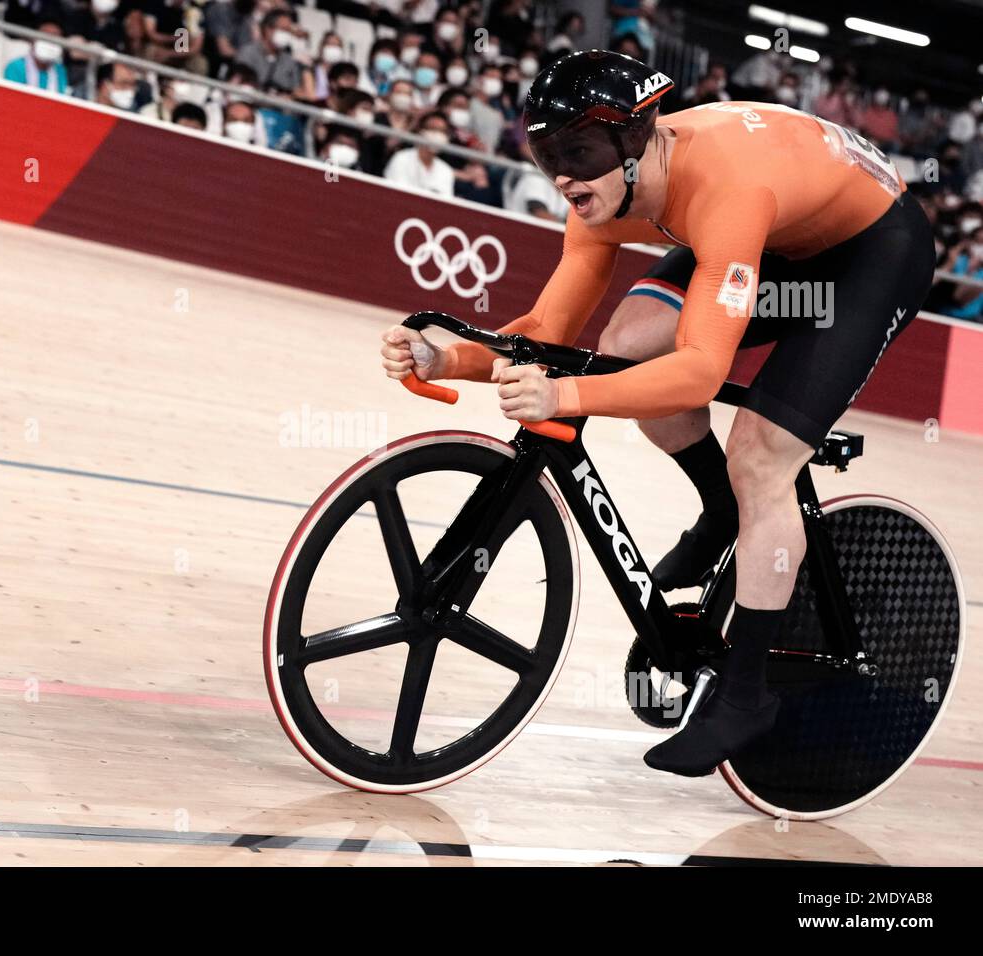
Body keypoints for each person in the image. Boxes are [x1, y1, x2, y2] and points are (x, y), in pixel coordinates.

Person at [379, 51, 936, 777]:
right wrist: (450, 357)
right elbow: (551, 333)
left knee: (762, 455)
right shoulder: (599, 195)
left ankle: (745, 695)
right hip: (775, 236)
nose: (563, 177)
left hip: (869, 250)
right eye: (546, 155)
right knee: (622, 345)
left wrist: (564, 398)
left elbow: (700, 371)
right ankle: (720, 513)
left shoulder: (722, 188)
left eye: (577, 153)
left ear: (635, 141)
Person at [383, 111, 455, 195]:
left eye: (442, 131)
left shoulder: (446, 171)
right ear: (421, 132)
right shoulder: (401, 158)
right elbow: (395, 193)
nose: (437, 135)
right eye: (433, 129)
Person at [3, 20, 69, 92]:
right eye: (45, 36)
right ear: (33, 40)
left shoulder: (60, 71)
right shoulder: (16, 67)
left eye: (55, 38)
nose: (50, 42)